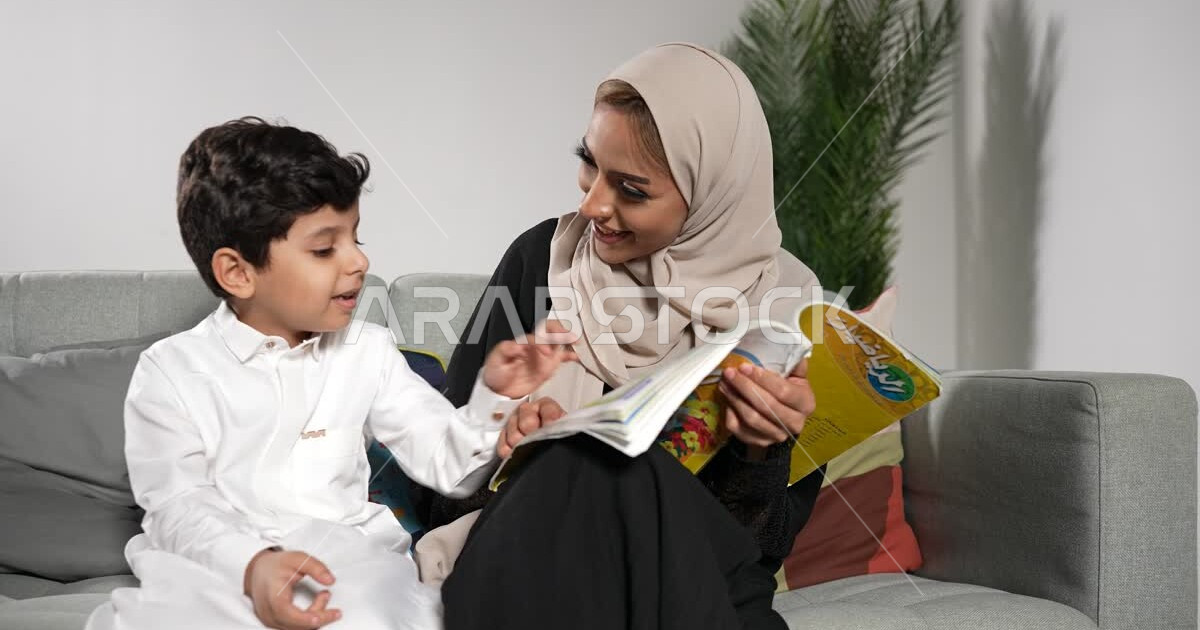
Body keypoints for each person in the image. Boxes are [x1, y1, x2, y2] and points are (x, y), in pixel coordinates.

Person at [84, 117, 576, 630]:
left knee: (368, 616)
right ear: (238, 272)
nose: (359, 261)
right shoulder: (170, 370)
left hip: (344, 563)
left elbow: (449, 465)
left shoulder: (367, 349)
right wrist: (251, 566)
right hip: (217, 566)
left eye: (356, 239)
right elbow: (176, 505)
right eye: (325, 248)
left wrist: (494, 398)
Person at [417, 43, 827, 629]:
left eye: (631, 189)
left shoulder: (786, 308)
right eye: (589, 162)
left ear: (712, 194)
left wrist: (761, 451)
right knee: (596, 463)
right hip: (530, 561)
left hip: (691, 581)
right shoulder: (543, 260)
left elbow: (759, 549)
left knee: (629, 477)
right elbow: (437, 500)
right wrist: (502, 442)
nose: (592, 204)